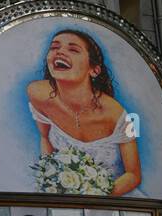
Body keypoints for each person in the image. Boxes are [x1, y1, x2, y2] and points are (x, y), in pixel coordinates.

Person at [27, 28, 142, 196]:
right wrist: (51, 182)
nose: (59, 52)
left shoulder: (116, 115)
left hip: (115, 200)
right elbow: (45, 139)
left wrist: (94, 197)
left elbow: (133, 175)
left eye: (73, 49)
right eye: (54, 47)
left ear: (94, 70)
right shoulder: (37, 93)